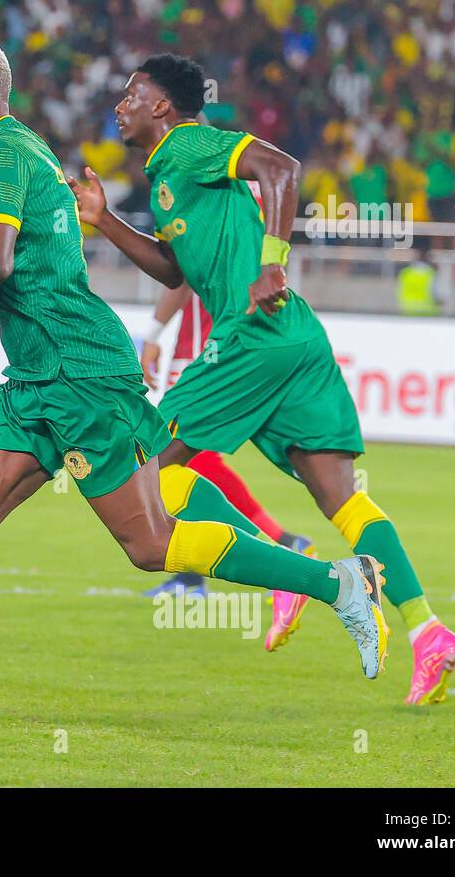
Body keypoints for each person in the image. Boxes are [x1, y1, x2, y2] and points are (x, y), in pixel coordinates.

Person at [0, 39, 387, 752]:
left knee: (151, 545)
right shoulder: (16, 149)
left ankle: (335, 583)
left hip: (79, 375)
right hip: (40, 380)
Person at [69, 53, 455, 705]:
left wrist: (271, 263)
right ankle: (428, 631)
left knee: (148, 467)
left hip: (251, 334)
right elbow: (174, 271)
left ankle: (291, 573)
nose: (121, 105)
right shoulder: (169, 172)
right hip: (294, 339)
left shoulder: (192, 144)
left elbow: (281, 168)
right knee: (343, 498)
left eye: (133, 93)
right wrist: (105, 220)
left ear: (163, 108)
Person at [139, 279, 318, 656]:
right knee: (182, 462)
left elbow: (179, 273)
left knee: (168, 460)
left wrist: (153, 333)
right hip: (208, 347)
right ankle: (198, 572)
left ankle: (282, 551)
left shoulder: (207, 225)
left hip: (210, 351)